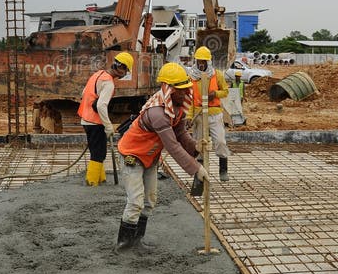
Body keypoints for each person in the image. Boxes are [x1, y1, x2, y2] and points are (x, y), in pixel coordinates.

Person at [116, 62, 208, 251]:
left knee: (149, 200)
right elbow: (172, 145)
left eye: (186, 88)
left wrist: (195, 147)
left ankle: (137, 241)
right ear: (169, 89)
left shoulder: (177, 107)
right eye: (180, 90)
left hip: (150, 157)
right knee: (135, 201)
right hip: (132, 155)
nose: (184, 93)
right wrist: (196, 169)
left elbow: (181, 134)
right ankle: (123, 245)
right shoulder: (157, 112)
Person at [78, 51, 134, 185]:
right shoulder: (108, 83)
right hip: (95, 122)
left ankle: (100, 178)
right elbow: (102, 106)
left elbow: (84, 92)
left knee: (97, 151)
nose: (125, 74)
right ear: (121, 68)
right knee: (98, 154)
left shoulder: (98, 74)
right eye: (126, 71)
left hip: (85, 120)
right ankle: (92, 182)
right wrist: (108, 126)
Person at [188, 45, 231, 182]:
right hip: (199, 115)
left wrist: (215, 94)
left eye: (203, 61)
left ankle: (223, 169)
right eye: (199, 61)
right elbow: (190, 99)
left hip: (215, 113)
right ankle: (200, 174)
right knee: (200, 144)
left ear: (208, 62)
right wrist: (189, 117)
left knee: (220, 141)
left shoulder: (216, 75)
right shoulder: (191, 77)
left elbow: (225, 91)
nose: (201, 64)